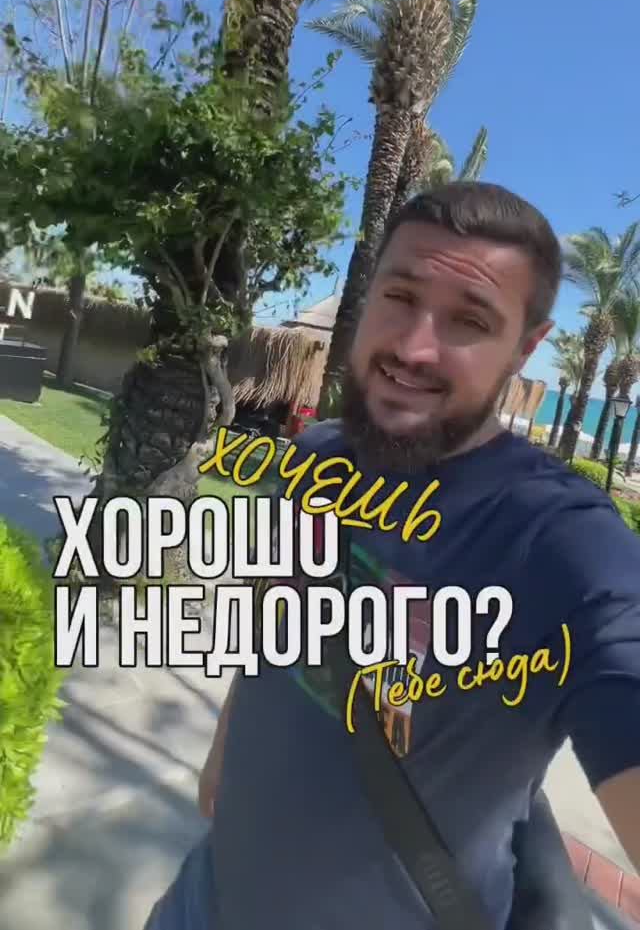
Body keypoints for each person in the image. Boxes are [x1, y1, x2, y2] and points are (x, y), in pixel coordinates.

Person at [145, 182, 640, 929]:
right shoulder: (313, 456)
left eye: (470, 320)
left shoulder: (561, 540)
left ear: (525, 346)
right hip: (203, 899)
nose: (412, 347)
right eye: (400, 296)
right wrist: (225, 747)